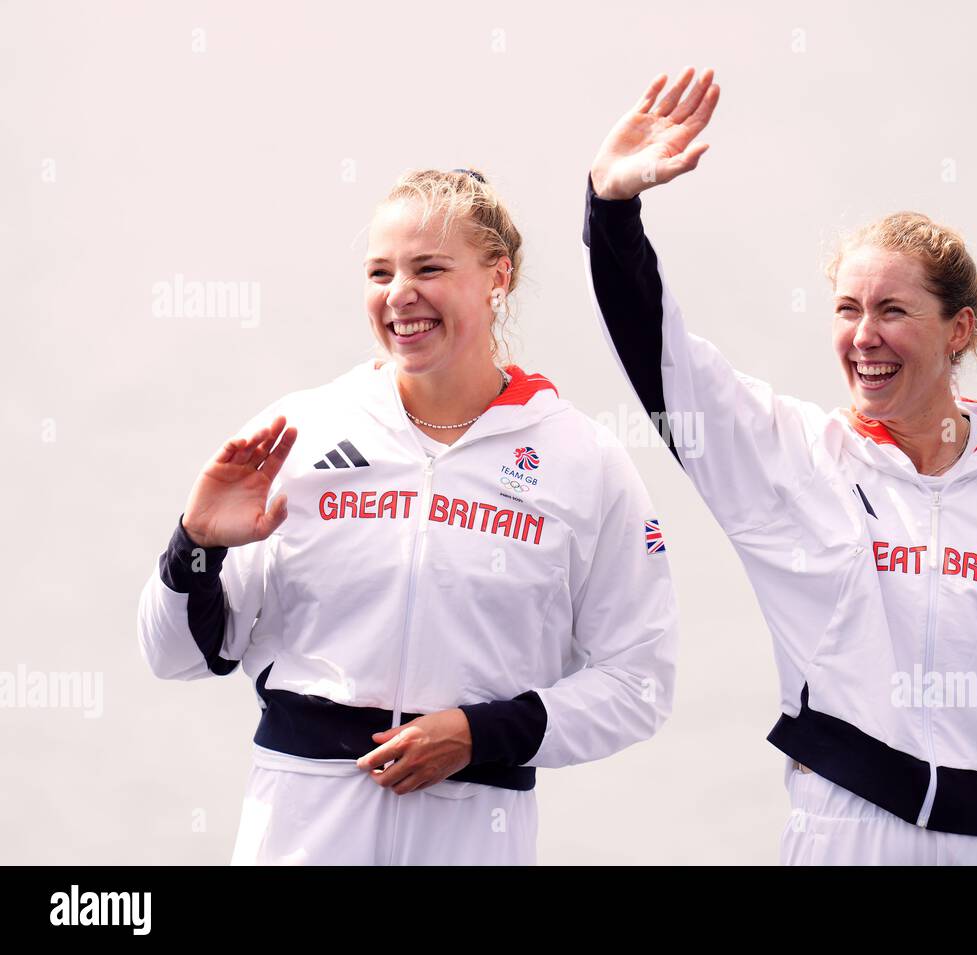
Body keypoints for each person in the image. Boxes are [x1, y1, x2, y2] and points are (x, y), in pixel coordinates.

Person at [583, 69, 977, 865]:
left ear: (960, 329)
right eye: (847, 309)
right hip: (850, 839)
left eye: (892, 311)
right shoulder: (792, 460)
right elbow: (661, 359)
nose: (863, 336)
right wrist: (612, 210)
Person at [138, 167, 678, 865]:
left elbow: (640, 681)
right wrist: (197, 547)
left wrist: (482, 733)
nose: (399, 295)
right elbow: (174, 655)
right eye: (379, 272)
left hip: (472, 832)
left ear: (497, 278)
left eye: (428, 268)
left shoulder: (585, 460)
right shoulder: (295, 434)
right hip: (302, 830)